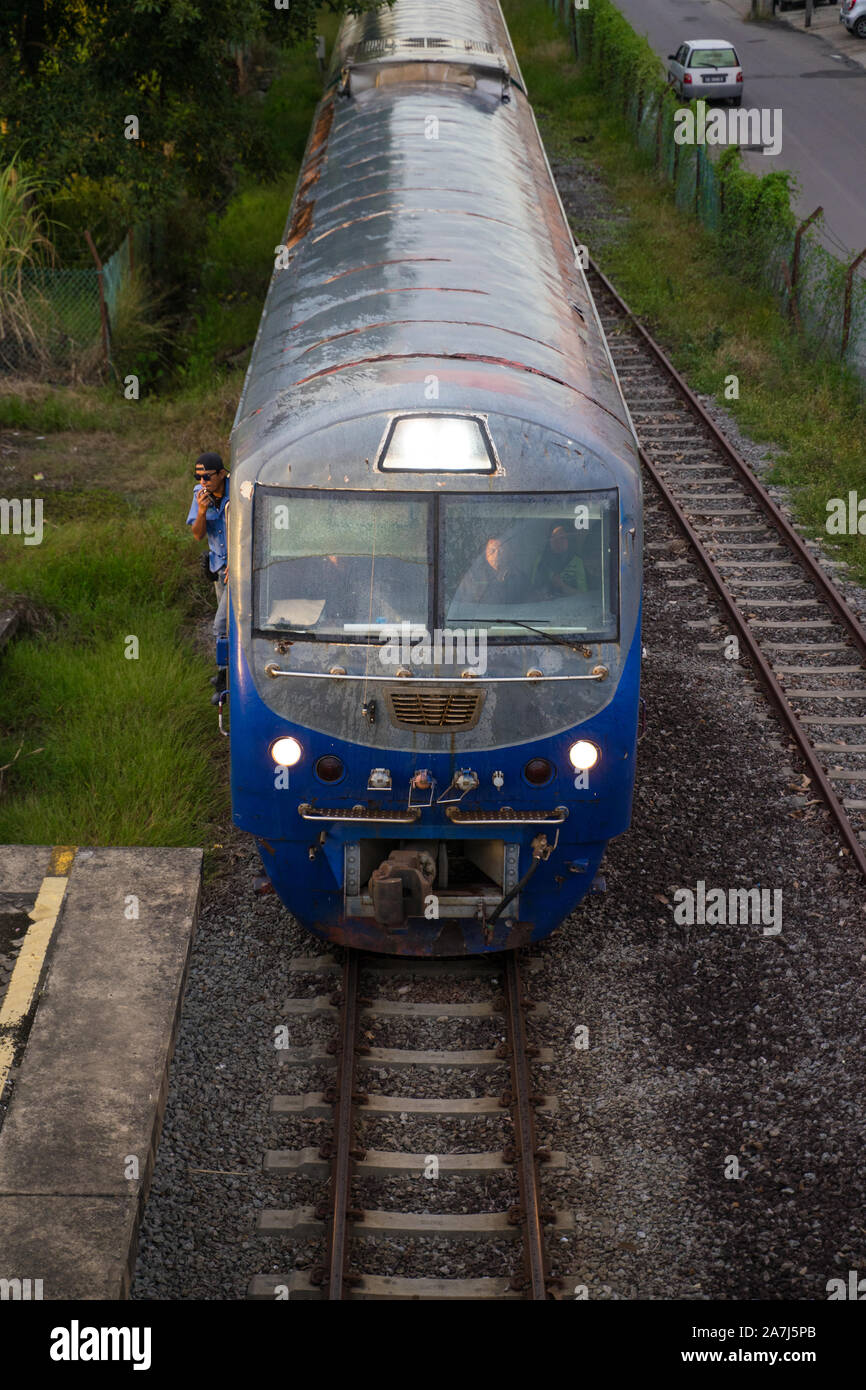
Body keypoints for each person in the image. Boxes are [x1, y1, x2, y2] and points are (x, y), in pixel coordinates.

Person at [187, 452, 229, 701]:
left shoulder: (238, 492)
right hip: (218, 567)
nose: (203, 482)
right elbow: (197, 535)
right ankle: (226, 670)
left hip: (238, 568)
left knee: (220, 625)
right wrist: (202, 511)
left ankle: (223, 680)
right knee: (227, 624)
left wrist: (240, 563)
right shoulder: (200, 495)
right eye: (198, 477)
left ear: (222, 474)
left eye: (207, 477)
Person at [455, 535, 530, 608]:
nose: (497, 555)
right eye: (492, 551)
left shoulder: (520, 578)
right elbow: (464, 606)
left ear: (509, 552)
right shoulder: (473, 578)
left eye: (501, 550)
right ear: (486, 553)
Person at [532, 524, 588, 598]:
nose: (557, 542)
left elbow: (583, 594)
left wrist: (563, 586)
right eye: (553, 537)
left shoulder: (577, 561)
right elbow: (533, 588)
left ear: (569, 540)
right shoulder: (541, 559)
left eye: (562, 538)